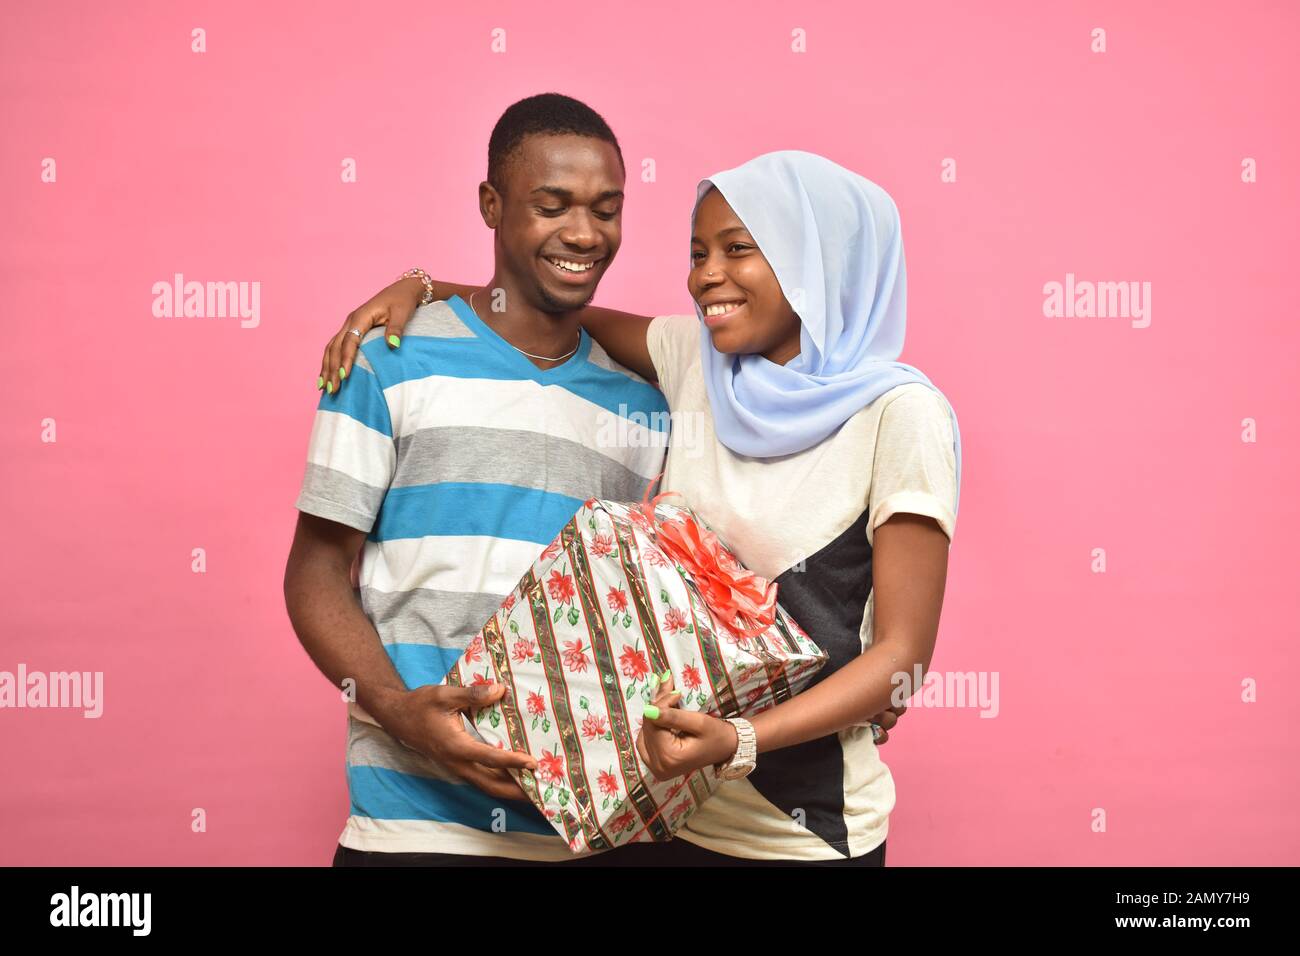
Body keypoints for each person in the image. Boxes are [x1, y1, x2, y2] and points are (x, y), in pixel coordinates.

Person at [322, 149, 957, 865]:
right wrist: (425, 284)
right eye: (697, 252)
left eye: (738, 250)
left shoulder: (902, 415)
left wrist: (745, 737)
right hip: (655, 819)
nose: (705, 275)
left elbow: (904, 654)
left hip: (798, 836)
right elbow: (543, 308)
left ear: (814, 263)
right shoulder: (697, 362)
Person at [283, 92, 674, 866]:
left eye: (606, 209)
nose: (584, 234)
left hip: (583, 836)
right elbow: (315, 576)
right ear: (492, 205)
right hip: (409, 826)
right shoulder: (389, 358)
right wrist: (398, 712)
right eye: (551, 205)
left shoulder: (646, 408)